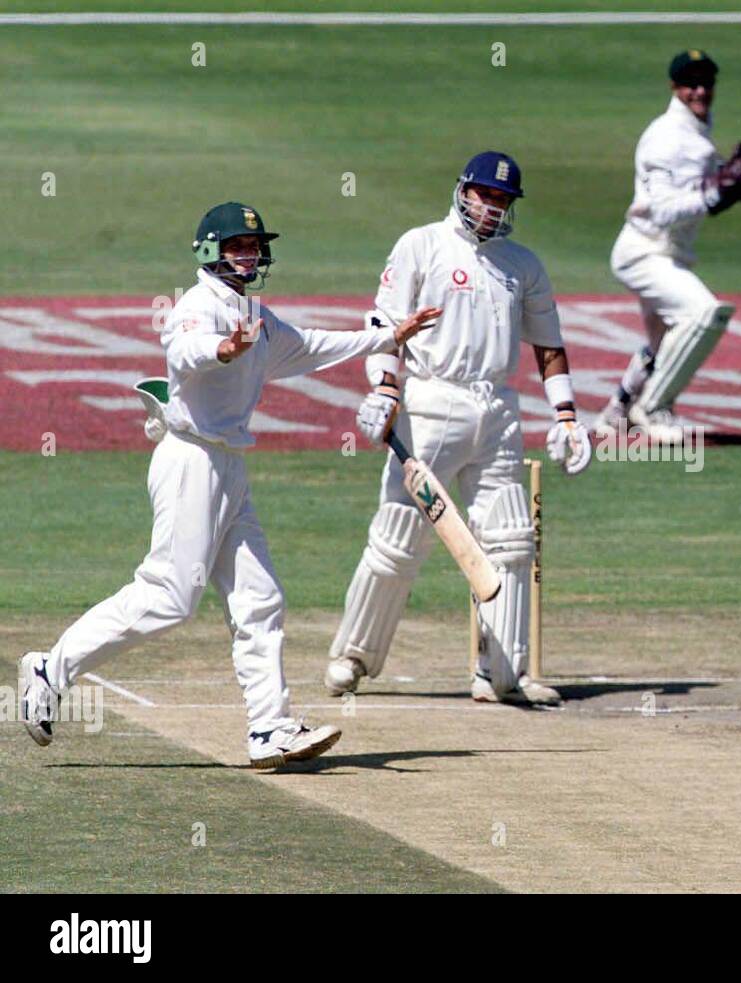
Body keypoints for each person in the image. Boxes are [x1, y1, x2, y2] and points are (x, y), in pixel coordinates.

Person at [18, 202, 439, 768]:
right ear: (211, 252)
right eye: (239, 245)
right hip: (191, 462)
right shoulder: (199, 308)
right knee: (169, 596)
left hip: (229, 467)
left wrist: (389, 335)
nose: (250, 255)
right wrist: (222, 349)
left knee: (260, 598)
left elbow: (312, 346)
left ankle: (270, 729)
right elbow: (183, 350)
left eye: (255, 246)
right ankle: (50, 667)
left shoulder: (255, 315)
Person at [325, 152, 591, 707]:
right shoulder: (421, 245)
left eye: (502, 202)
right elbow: (385, 325)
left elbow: (548, 344)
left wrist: (566, 416)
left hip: (497, 408)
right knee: (401, 539)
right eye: (483, 197)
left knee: (512, 540)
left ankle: (502, 673)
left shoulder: (522, 264)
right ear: (462, 191)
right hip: (430, 402)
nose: (491, 209)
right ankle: (353, 654)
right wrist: (384, 389)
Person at [594, 50, 741, 443]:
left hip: (667, 254)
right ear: (674, 87)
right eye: (691, 83)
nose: (700, 91)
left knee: (664, 343)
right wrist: (717, 191)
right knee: (704, 314)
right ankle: (654, 408)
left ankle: (617, 411)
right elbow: (662, 210)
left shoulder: (696, 130)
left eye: (706, 83)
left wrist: (730, 184)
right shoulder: (666, 138)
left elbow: (695, 185)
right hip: (645, 253)